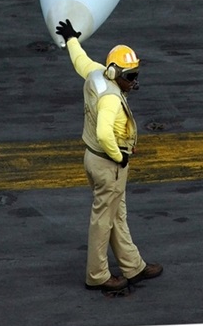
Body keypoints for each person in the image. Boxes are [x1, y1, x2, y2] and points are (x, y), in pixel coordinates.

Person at [56, 18, 163, 293]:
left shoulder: (97, 74)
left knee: (117, 215)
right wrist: (120, 157)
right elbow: (105, 134)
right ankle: (98, 275)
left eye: (136, 73)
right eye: (130, 76)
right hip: (108, 164)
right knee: (103, 220)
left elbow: (80, 61)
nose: (134, 80)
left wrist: (71, 39)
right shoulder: (112, 99)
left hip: (93, 158)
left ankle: (133, 266)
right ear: (116, 74)